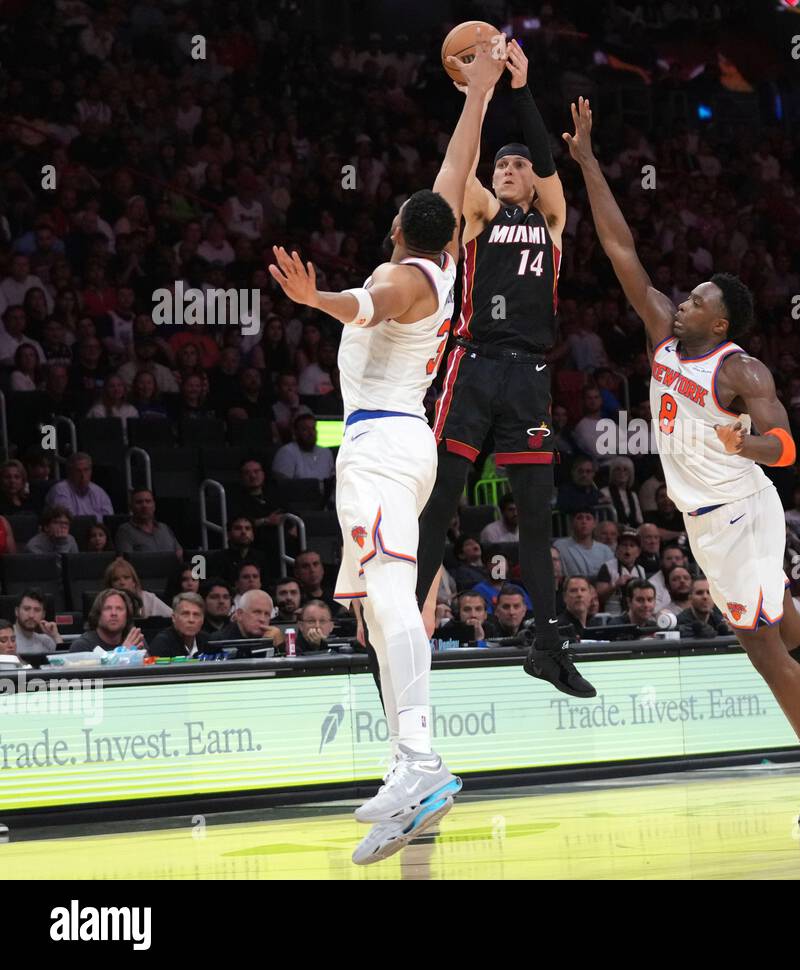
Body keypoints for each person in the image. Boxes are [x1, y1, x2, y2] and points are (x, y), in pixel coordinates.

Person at [568, 95, 800, 832]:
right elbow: (622, 251)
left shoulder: (740, 370)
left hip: (743, 509)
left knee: (756, 639)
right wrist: (589, 162)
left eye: (697, 301)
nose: (681, 302)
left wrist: (744, 442)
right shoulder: (660, 333)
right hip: (704, 518)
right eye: (685, 296)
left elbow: (786, 448)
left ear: (720, 322)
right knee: (779, 615)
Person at [268, 34, 502, 865]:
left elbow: (368, 305)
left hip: (379, 445)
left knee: (394, 597)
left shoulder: (406, 276)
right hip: (400, 444)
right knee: (379, 607)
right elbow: (455, 161)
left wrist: (315, 296)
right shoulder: (440, 256)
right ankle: (409, 773)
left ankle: (420, 761)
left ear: (401, 228)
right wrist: (477, 92)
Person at [414, 39, 593, 701]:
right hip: (474, 364)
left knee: (536, 516)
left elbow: (549, 164)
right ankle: (410, 628)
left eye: (521, 162)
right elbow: (461, 172)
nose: (514, 167)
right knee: (440, 503)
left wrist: (523, 88)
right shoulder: (481, 213)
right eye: (504, 163)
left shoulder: (551, 222)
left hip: (529, 377)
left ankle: (547, 643)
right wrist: (478, 95)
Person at [69, 588, 146, 652]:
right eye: (108, 608)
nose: (114, 613)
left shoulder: (135, 640)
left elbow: (150, 668)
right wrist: (124, 653)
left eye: (119, 608)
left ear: (127, 615)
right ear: (97, 614)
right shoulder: (82, 646)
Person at [45, 452, 114, 521]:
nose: (83, 475)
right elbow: (67, 520)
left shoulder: (99, 492)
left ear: (91, 471)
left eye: (86, 470)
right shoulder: (60, 490)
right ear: (69, 472)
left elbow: (108, 520)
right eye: (78, 471)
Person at [114, 488, 183, 557]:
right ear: (130, 507)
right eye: (139, 502)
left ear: (154, 505)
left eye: (148, 501)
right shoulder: (125, 531)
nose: (144, 505)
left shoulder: (164, 528)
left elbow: (179, 553)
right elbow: (126, 562)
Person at [595, 529, 647, 614]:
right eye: (624, 545)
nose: (628, 548)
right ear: (617, 549)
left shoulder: (641, 570)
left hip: (636, 615)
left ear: (638, 552)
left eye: (632, 545)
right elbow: (599, 597)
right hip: (613, 616)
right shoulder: (607, 567)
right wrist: (615, 585)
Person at [553, 510, 615, 581]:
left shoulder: (605, 550)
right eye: (579, 518)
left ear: (594, 524)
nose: (584, 522)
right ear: (572, 522)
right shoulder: (560, 546)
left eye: (588, 518)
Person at [102, 558, 172, 619]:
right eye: (116, 579)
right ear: (110, 585)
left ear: (134, 582)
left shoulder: (147, 598)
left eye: (126, 577)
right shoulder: (103, 602)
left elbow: (172, 616)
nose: (122, 582)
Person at [148, 592, 210, 659]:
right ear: (174, 618)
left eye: (196, 615)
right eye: (185, 614)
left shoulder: (208, 641)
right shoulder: (161, 644)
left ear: (203, 620)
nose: (191, 620)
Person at [13, 588, 62, 658]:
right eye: (26, 609)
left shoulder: (46, 640)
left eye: (37, 610)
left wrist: (56, 636)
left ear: (43, 615)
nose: (31, 615)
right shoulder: (5, 641)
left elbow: (64, 663)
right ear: (16, 611)